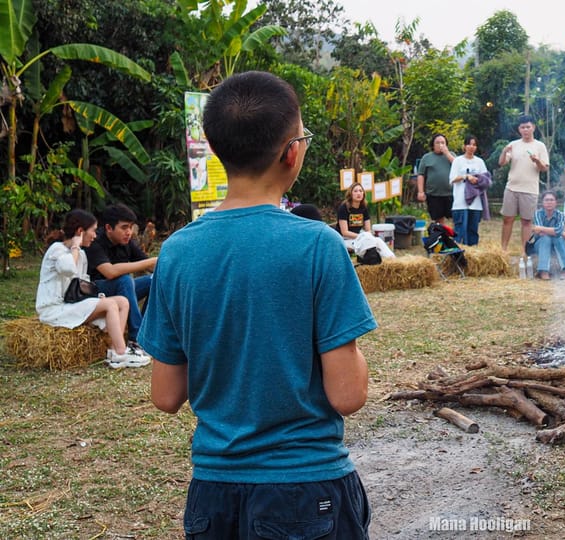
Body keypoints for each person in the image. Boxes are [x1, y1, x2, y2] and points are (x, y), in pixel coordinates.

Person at [139, 71, 376, 538]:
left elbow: (166, 396)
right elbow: (349, 395)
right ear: (292, 151)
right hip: (307, 491)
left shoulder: (178, 251)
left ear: (216, 147)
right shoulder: (317, 244)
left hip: (213, 496)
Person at [36, 209, 150, 369]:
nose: (96, 235)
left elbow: (83, 285)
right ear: (80, 232)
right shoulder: (57, 250)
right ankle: (121, 352)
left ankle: (113, 350)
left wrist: (99, 299)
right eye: (93, 231)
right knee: (111, 305)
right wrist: (75, 246)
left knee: (122, 302)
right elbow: (68, 268)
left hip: (71, 304)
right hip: (54, 308)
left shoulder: (81, 255)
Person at [83, 203, 157, 352]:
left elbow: (151, 266)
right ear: (109, 228)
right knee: (124, 279)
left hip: (124, 290)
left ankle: (147, 330)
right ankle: (136, 339)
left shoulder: (126, 242)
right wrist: (150, 261)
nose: (129, 232)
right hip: (97, 294)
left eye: (130, 227)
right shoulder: (95, 242)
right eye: (124, 227)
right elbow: (109, 272)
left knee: (156, 279)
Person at [498, 114, 549, 252]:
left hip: (530, 189)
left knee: (526, 222)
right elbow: (502, 163)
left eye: (528, 127)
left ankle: (525, 251)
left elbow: (544, 168)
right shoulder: (513, 145)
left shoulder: (540, 146)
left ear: (533, 127)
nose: (525, 130)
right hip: (512, 187)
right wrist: (504, 152)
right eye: (522, 127)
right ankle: (503, 250)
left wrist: (537, 160)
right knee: (507, 219)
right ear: (519, 129)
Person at [449, 134, 489, 246]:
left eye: (474, 145)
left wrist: (478, 180)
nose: (471, 147)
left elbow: (486, 179)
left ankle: (472, 254)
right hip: (460, 202)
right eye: (469, 144)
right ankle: (459, 255)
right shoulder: (458, 161)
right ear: (464, 146)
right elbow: (452, 179)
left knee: (473, 231)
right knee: (460, 231)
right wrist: (466, 177)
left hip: (476, 203)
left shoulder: (480, 162)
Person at [337, 182, 395, 258]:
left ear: (363, 194)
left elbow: (368, 230)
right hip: (344, 240)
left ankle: (392, 260)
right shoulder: (344, 207)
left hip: (359, 238)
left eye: (361, 191)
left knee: (378, 241)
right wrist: (363, 237)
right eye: (355, 191)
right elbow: (345, 232)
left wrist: (366, 236)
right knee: (368, 244)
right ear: (350, 194)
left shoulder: (363, 207)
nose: (359, 193)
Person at [531, 191, 565, 280]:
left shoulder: (560, 215)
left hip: (556, 245)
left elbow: (556, 231)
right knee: (546, 238)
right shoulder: (538, 213)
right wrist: (557, 231)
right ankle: (543, 270)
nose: (549, 202)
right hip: (540, 245)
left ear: (556, 202)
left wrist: (543, 229)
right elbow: (539, 232)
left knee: (558, 238)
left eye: (551, 200)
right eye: (546, 200)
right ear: (542, 202)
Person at [416, 133, 455, 225]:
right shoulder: (427, 158)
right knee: (438, 219)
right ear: (433, 145)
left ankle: (455, 237)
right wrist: (420, 192)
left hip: (451, 193)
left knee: (455, 218)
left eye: (443, 142)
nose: (440, 145)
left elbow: (457, 166)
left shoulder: (451, 155)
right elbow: (421, 175)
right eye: (437, 142)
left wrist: (447, 153)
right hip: (434, 194)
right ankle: (441, 236)